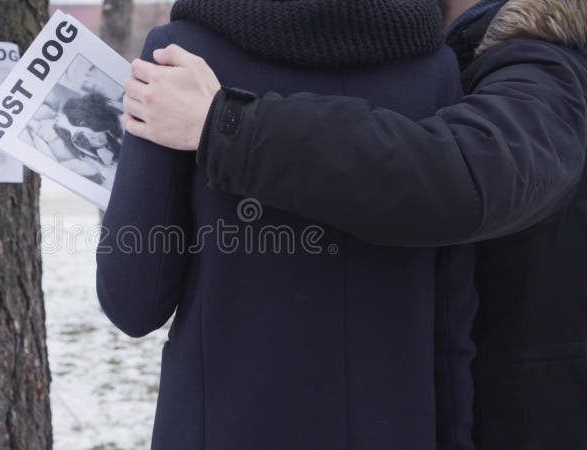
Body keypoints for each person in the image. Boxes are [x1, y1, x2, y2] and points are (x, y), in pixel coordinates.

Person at [122, 0, 587, 448]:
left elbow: (132, 300)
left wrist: (214, 129)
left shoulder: (539, 63)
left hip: (534, 415)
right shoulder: (435, 67)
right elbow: (450, 315)